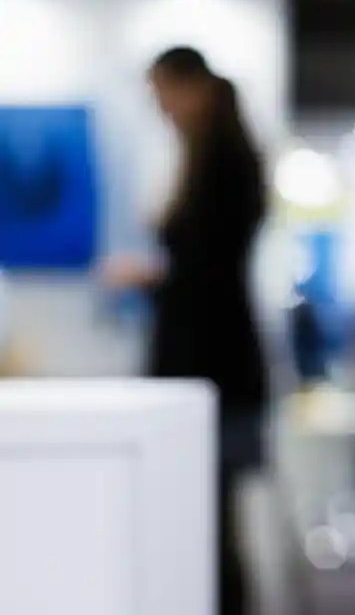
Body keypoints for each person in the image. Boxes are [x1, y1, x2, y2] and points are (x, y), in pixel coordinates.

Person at [104, 46, 268, 615]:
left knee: (207, 517)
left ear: (190, 87)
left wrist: (152, 280)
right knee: (205, 515)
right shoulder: (216, 157)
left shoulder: (222, 162)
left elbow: (208, 275)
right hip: (210, 360)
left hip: (211, 363)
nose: (160, 107)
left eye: (162, 93)